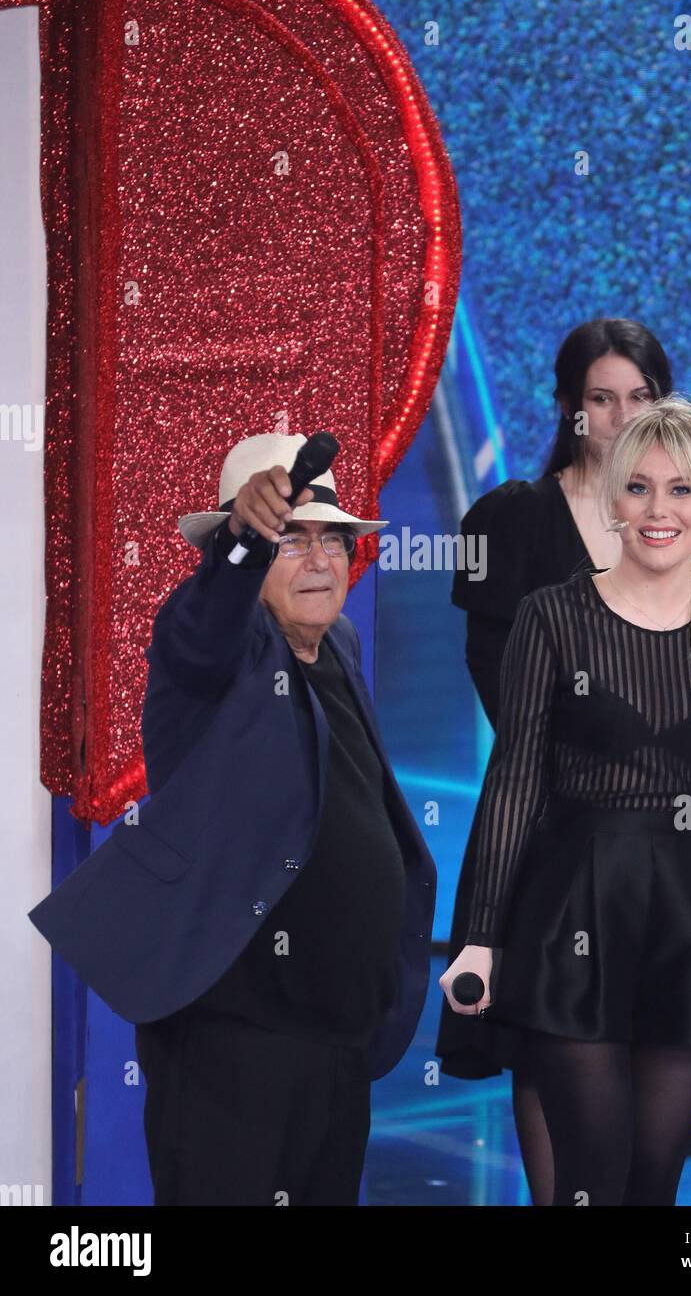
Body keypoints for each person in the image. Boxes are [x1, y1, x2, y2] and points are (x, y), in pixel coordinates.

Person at [29, 432, 436, 1206]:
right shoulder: (215, 652)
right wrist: (244, 543)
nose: (319, 558)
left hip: (337, 1041)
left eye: (330, 539)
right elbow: (203, 621)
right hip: (234, 1038)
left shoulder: (339, 645)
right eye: (291, 540)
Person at [439, 394, 691, 1207]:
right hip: (569, 911)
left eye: (682, 490)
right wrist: (478, 939)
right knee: (592, 1185)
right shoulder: (552, 616)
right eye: (639, 487)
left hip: (688, 922)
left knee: (652, 1191)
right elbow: (514, 778)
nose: (659, 509)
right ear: (612, 501)